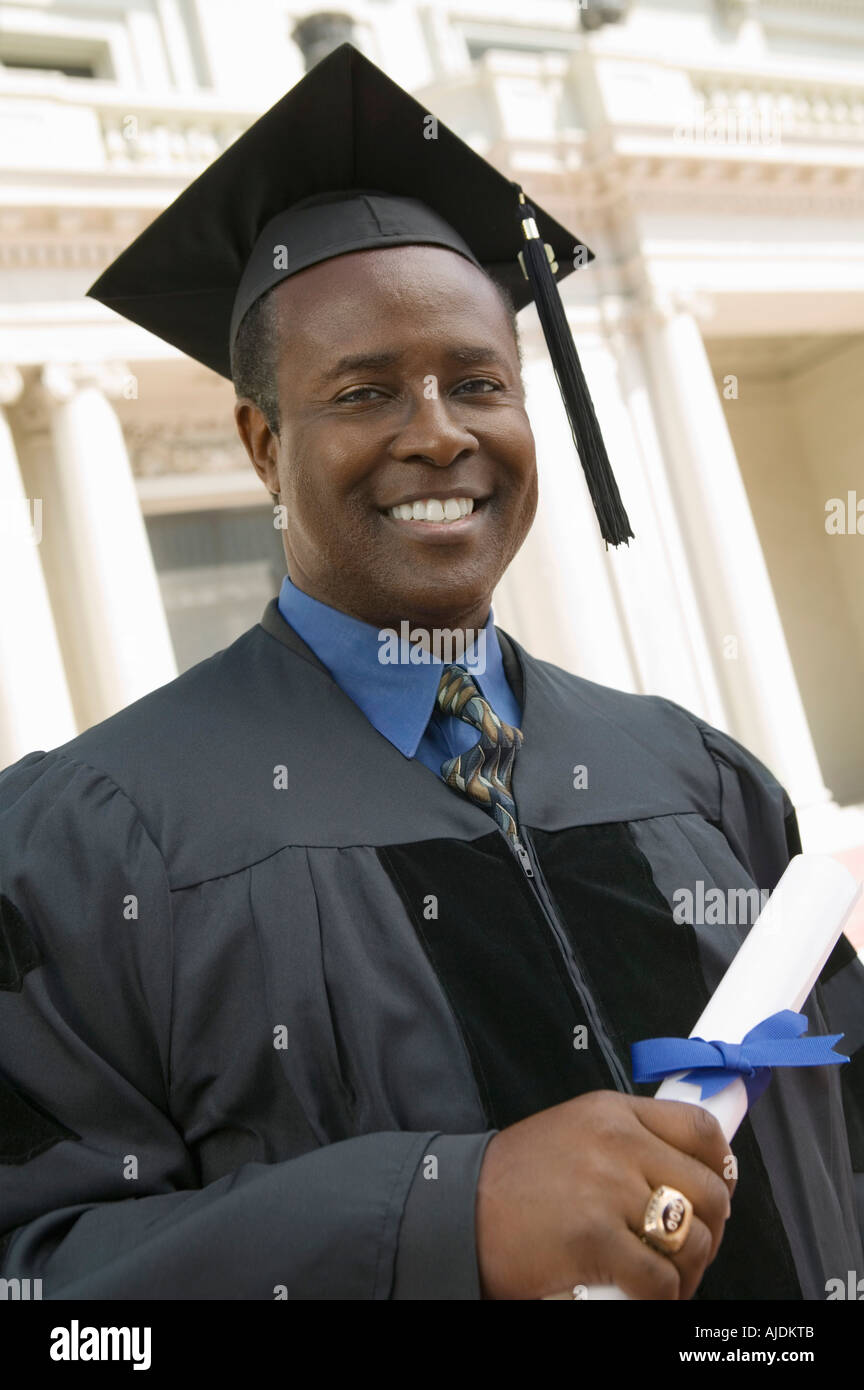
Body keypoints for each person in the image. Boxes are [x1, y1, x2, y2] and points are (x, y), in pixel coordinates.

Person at [0, 43, 862, 1302]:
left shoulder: (699, 779)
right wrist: (438, 1221)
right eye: (363, 390)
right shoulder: (85, 851)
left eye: (478, 382)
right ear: (263, 442)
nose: (439, 431)